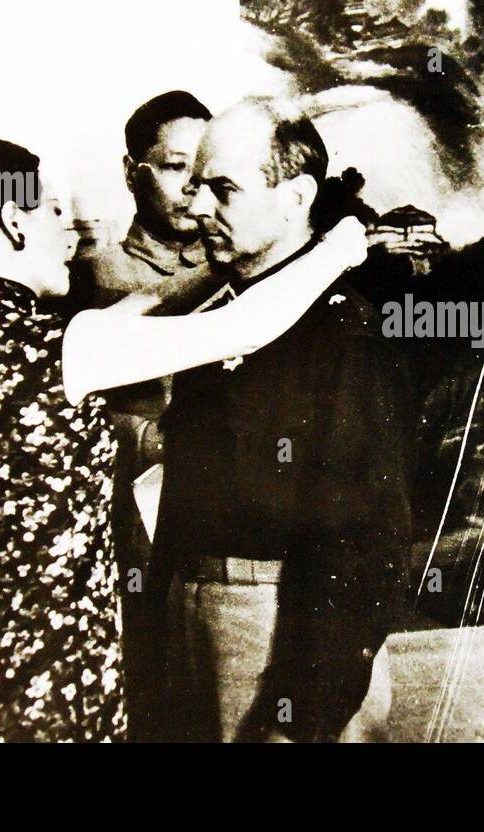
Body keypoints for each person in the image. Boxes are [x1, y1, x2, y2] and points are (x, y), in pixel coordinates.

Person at [0, 136, 367, 741]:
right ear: (11, 222)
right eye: (51, 210)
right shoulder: (55, 348)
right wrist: (338, 244)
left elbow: (148, 303)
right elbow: (243, 328)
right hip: (52, 670)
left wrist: (233, 253)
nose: (69, 230)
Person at [149, 100, 413, 743]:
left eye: (224, 191)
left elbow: (363, 542)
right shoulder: (215, 317)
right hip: (196, 626)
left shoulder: (346, 332)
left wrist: (300, 715)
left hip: (280, 641)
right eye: (194, 189)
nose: (199, 209)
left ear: (295, 196)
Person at [66, 90, 214, 739]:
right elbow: (74, 413)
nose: (195, 186)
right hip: (134, 528)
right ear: (133, 172)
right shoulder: (98, 275)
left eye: (205, 168)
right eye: (177, 165)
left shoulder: (240, 267)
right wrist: (153, 438)